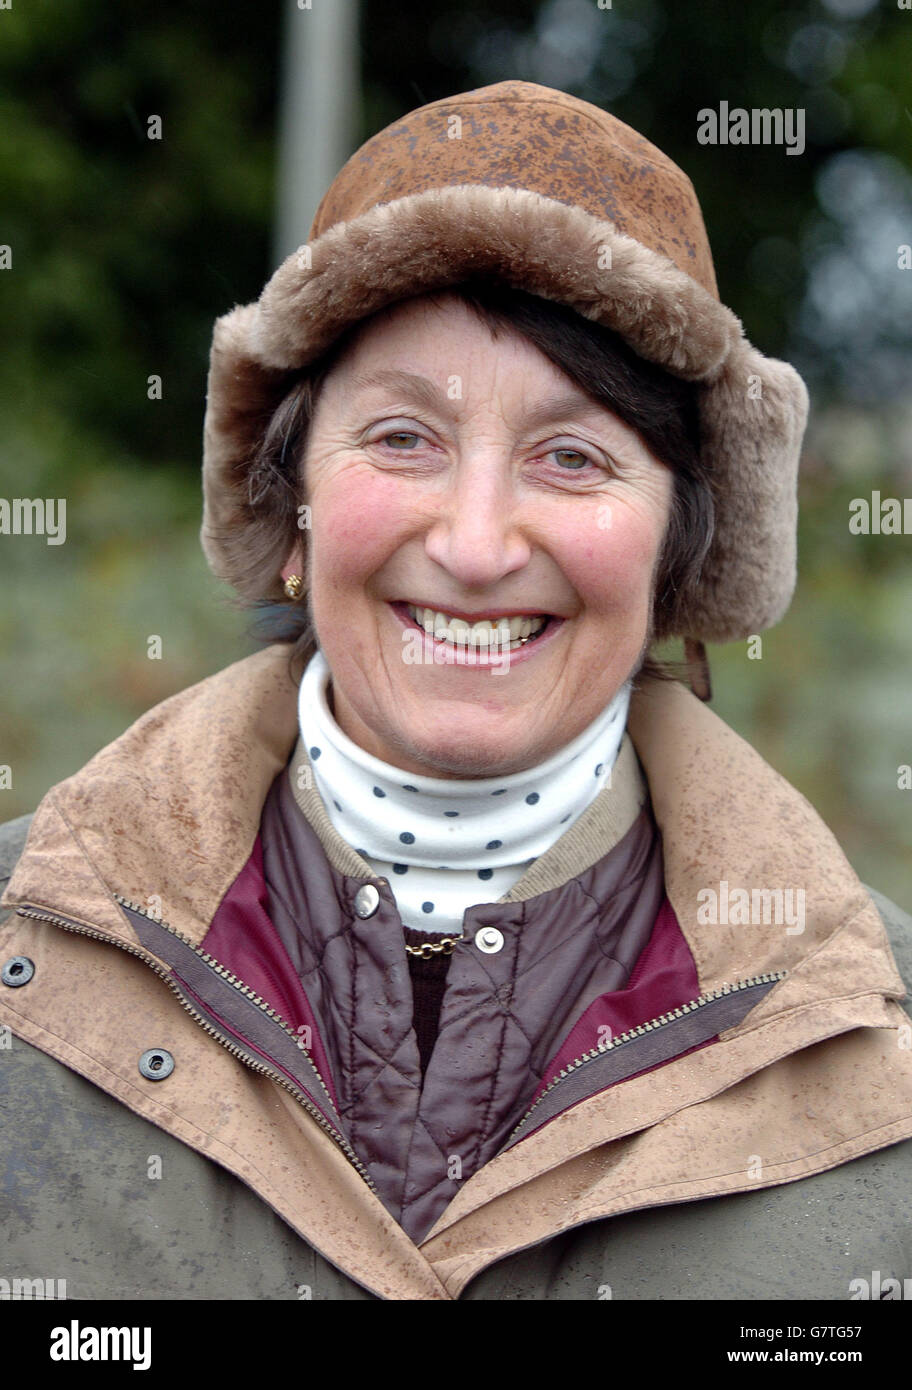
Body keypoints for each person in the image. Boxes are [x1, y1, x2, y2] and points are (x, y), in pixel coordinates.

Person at [2, 80, 911, 1302]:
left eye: (573, 455)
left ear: (675, 555)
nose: (477, 545)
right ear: (290, 515)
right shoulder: (28, 956)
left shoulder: (877, 1047)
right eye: (402, 438)